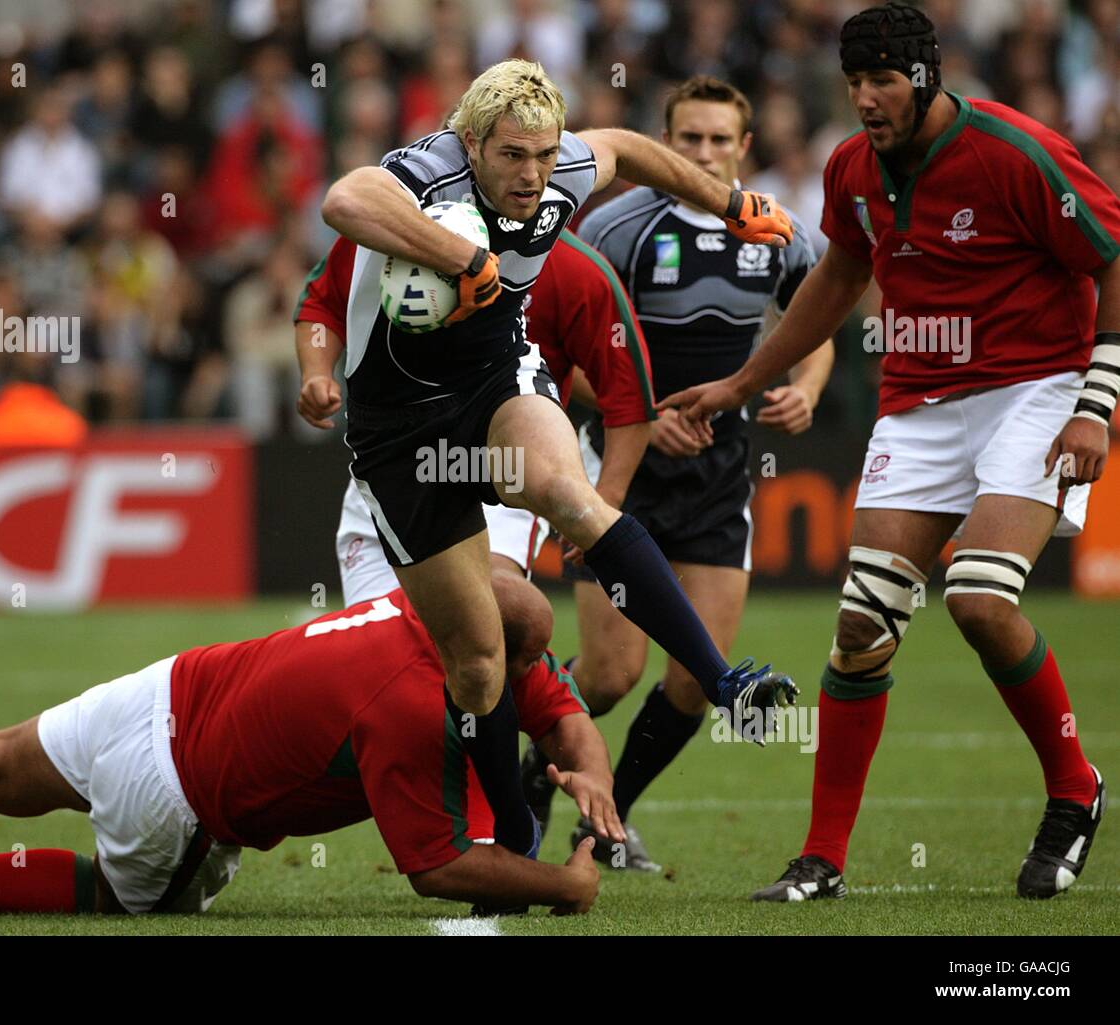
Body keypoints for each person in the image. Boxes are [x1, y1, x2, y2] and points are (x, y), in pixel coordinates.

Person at [660, 3, 1120, 901]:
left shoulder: (1014, 150)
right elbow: (840, 274)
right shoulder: (850, 166)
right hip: (919, 400)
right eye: (856, 82)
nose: (868, 98)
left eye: (885, 80)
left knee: (981, 600)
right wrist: (741, 385)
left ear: (927, 75)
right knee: (863, 625)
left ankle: (1075, 789)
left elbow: (1111, 255)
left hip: (1034, 388)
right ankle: (823, 860)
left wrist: (1096, 406)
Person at [319, 59, 798, 858]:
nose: (534, 174)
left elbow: (628, 147)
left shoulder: (564, 165)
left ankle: (724, 681)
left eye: (544, 155)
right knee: (476, 663)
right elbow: (344, 198)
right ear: (471, 143)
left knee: (567, 494)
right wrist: (460, 256)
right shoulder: (428, 169)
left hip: (496, 380)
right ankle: (512, 829)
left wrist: (732, 204)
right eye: (512, 155)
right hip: (399, 430)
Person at [0, 575, 610, 917]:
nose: (536, 675)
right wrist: (563, 883)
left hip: (169, 689)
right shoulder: (403, 707)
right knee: (115, 896)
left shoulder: (430, 604)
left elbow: (556, 705)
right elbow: (437, 868)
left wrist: (592, 772)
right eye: (524, 659)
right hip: (179, 798)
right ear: (483, 647)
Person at [524, 75, 835, 872]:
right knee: (610, 673)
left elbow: (817, 319)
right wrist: (640, 412)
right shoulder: (619, 223)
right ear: (663, 147)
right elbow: (566, 345)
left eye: (717, 139)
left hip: (721, 477)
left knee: (702, 682)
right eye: (686, 139)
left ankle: (607, 822)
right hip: (621, 465)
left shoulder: (779, 231)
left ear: (744, 147)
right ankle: (524, 761)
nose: (702, 152)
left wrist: (805, 388)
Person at [294, 228, 655, 614]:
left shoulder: (575, 268)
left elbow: (628, 395)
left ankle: (551, 676)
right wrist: (316, 372)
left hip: (504, 467)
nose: (528, 175)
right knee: (389, 643)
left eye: (540, 162)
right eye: (513, 160)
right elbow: (323, 302)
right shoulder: (393, 225)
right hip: (394, 458)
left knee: (507, 614)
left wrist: (601, 509)